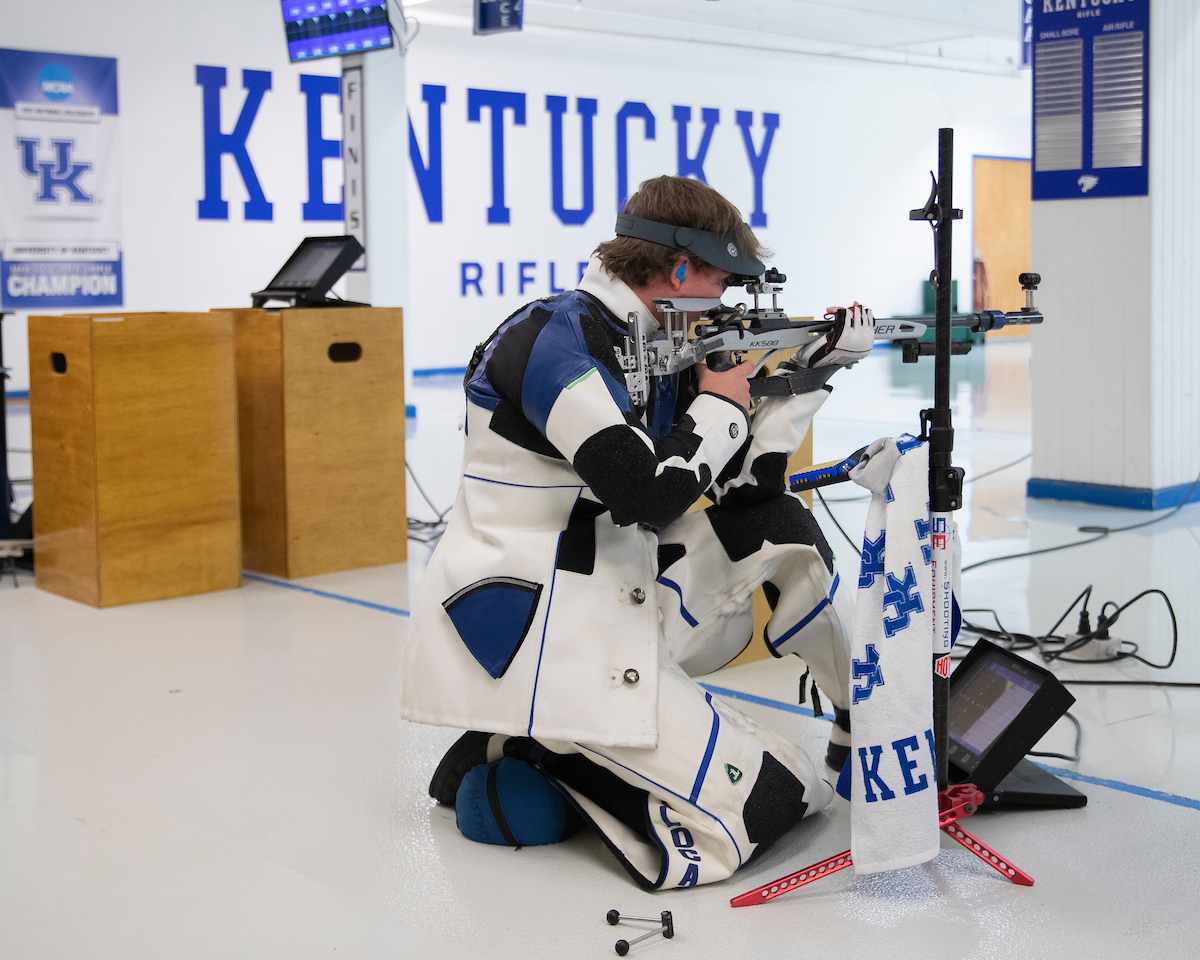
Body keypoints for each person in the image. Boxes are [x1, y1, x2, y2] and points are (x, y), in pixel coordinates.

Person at [401, 175, 875, 889]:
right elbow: (648, 494)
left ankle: (860, 721)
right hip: (544, 627)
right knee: (776, 798)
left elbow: (748, 488)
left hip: (617, 586)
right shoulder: (549, 340)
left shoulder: (654, 339)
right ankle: (552, 751)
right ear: (679, 269)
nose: (728, 299)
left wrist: (809, 378)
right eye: (723, 279)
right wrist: (718, 406)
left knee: (781, 527)